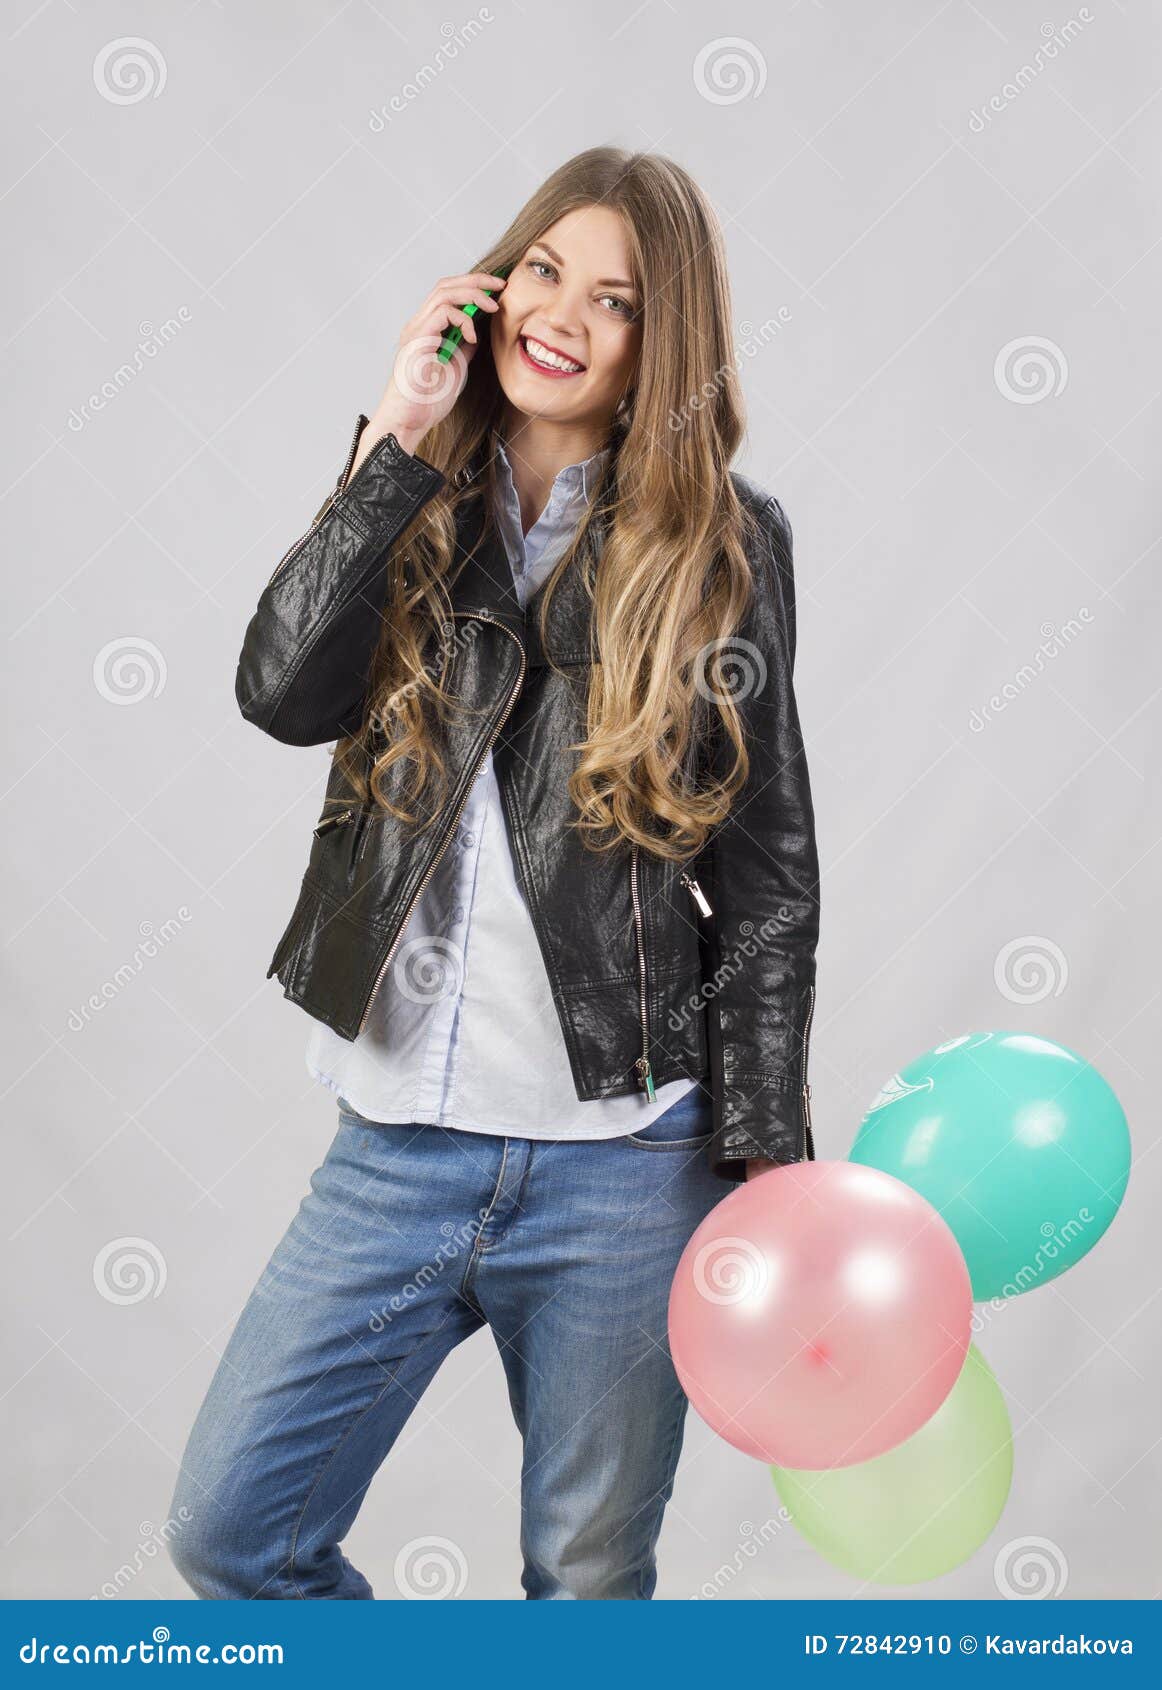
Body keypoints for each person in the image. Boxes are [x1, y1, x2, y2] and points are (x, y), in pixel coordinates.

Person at [169, 146, 820, 1601]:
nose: (563, 316)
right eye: (542, 271)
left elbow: (769, 872)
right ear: (491, 282)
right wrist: (395, 440)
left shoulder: (722, 545)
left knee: (585, 1588)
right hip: (396, 1145)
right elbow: (280, 691)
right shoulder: (413, 494)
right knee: (229, 1532)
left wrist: (767, 1168)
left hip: (626, 1167)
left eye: (618, 300)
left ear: (666, 346)